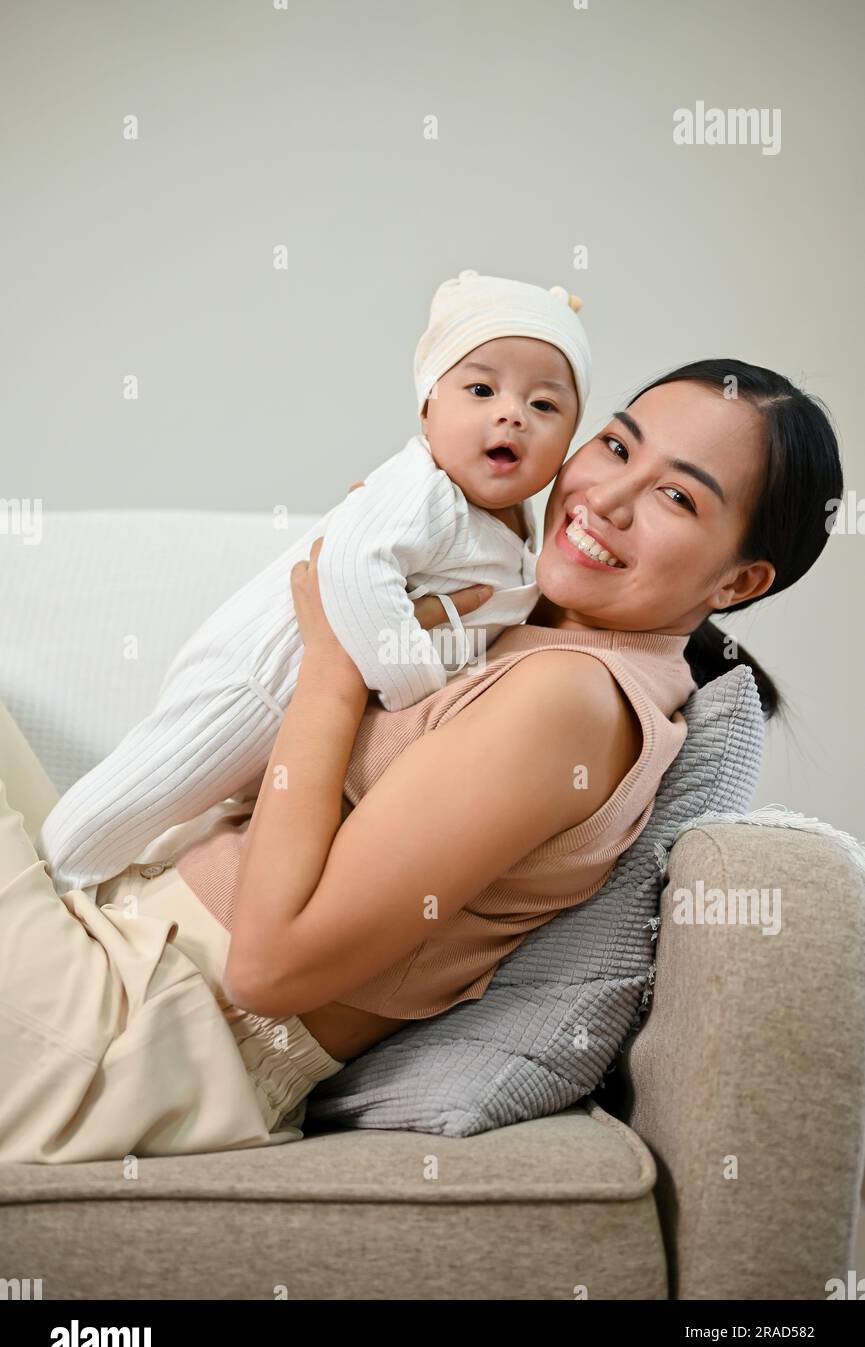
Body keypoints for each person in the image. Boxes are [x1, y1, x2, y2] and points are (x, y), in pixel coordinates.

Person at [0, 358, 842, 1164]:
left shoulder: (573, 700)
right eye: (617, 446)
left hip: (127, 1029)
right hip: (111, 948)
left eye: (675, 496)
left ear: (736, 583)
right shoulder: (521, 621)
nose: (606, 498)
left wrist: (333, 668)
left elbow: (270, 967)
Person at [36, 268, 591, 900]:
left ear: (569, 442)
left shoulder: (521, 532)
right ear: (428, 406)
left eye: (544, 405)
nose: (511, 414)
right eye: (481, 389)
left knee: (199, 826)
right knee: (136, 796)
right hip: (259, 683)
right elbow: (351, 569)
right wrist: (418, 691)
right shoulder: (424, 490)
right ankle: (43, 883)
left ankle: (96, 908)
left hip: (316, 712)